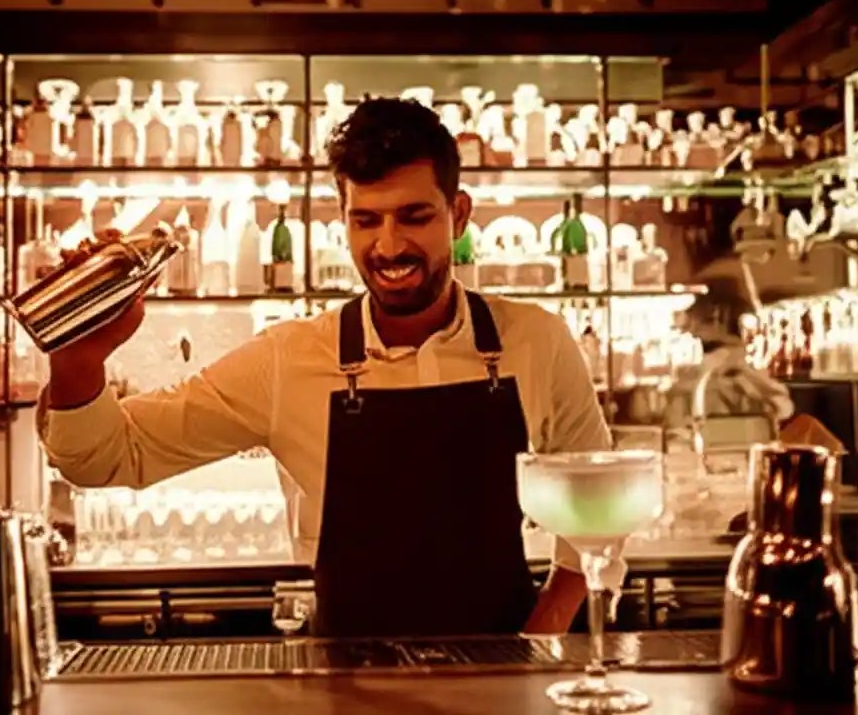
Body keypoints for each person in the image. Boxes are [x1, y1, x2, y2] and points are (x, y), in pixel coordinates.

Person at [39, 97, 611, 638]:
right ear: (343, 219)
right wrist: (77, 358)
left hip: (503, 680)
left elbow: (600, 497)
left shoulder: (536, 340)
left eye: (414, 216)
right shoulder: (288, 359)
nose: (389, 246)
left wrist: (545, 629)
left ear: (457, 214)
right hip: (345, 684)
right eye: (366, 221)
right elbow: (108, 456)